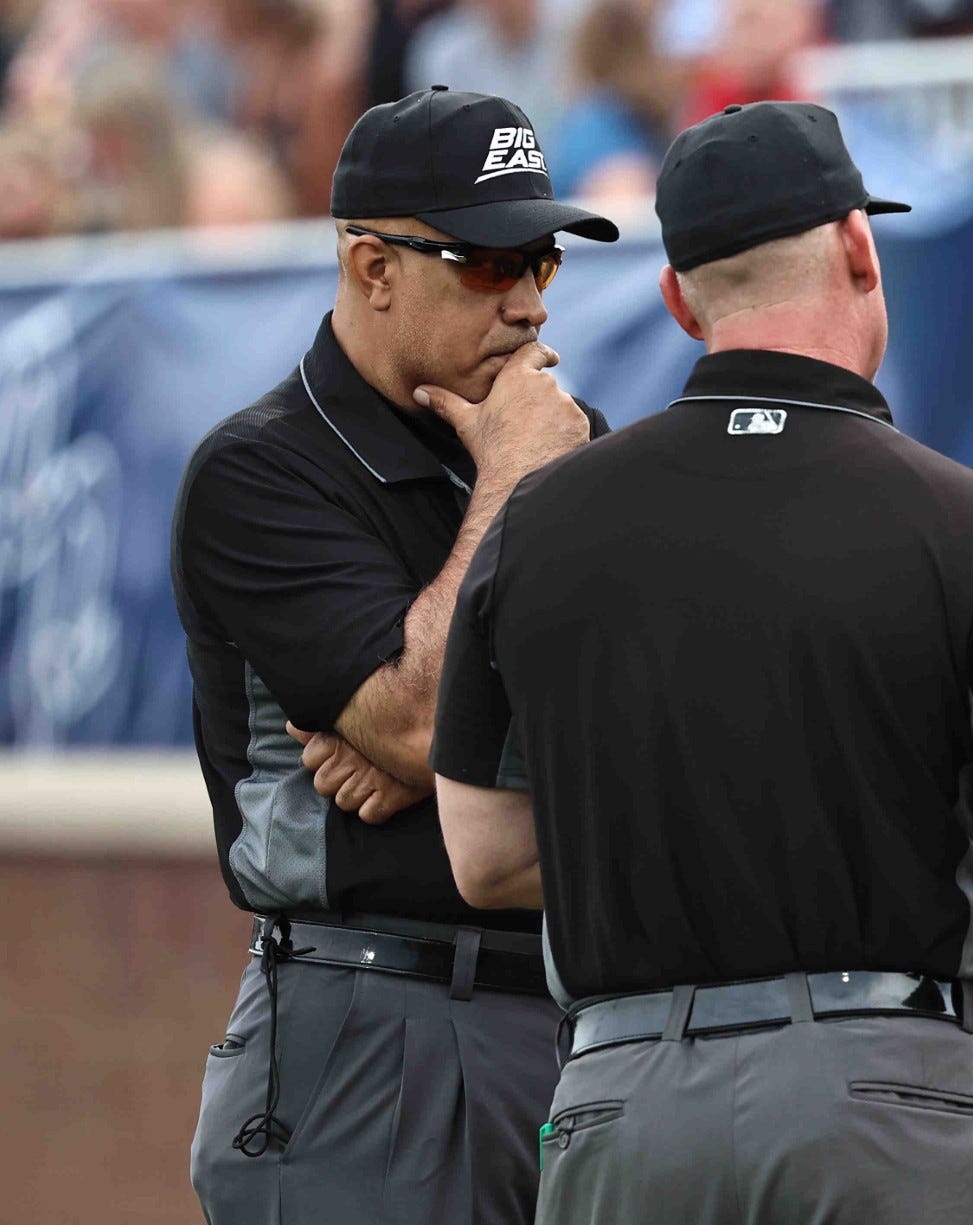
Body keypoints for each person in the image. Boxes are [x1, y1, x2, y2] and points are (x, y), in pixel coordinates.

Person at [428, 101, 973, 1225]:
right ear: (861, 247)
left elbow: (482, 854)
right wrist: (912, 870)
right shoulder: (970, 524)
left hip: (623, 1102)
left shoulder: (537, 522)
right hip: (881, 1093)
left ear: (679, 300)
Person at [170, 87, 618, 1225]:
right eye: (484, 263)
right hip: (371, 1019)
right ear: (374, 268)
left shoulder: (573, 450)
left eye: (544, 264)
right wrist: (519, 479)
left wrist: (437, 747)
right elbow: (417, 723)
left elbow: (648, 715)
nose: (524, 303)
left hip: (583, 1018)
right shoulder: (262, 470)